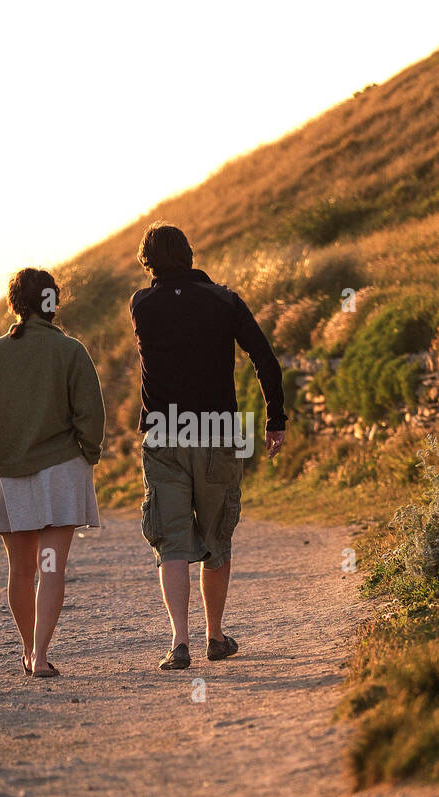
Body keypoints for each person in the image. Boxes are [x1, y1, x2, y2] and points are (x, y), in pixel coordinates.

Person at [129, 222, 287, 670]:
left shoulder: (141, 304)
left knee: (173, 540)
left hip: (163, 434)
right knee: (216, 537)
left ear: (148, 262)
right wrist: (275, 419)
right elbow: (264, 357)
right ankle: (215, 636)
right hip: (217, 433)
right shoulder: (225, 301)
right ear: (191, 255)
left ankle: (179, 642)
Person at [0, 268, 105, 678]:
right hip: (61, 473)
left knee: (21, 571)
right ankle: (41, 655)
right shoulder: (71, 350)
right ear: (53, 303)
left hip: (9, 473)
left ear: (15, 305)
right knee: (50, 569)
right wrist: (89, 455)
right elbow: (91, 413)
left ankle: (27, 649)